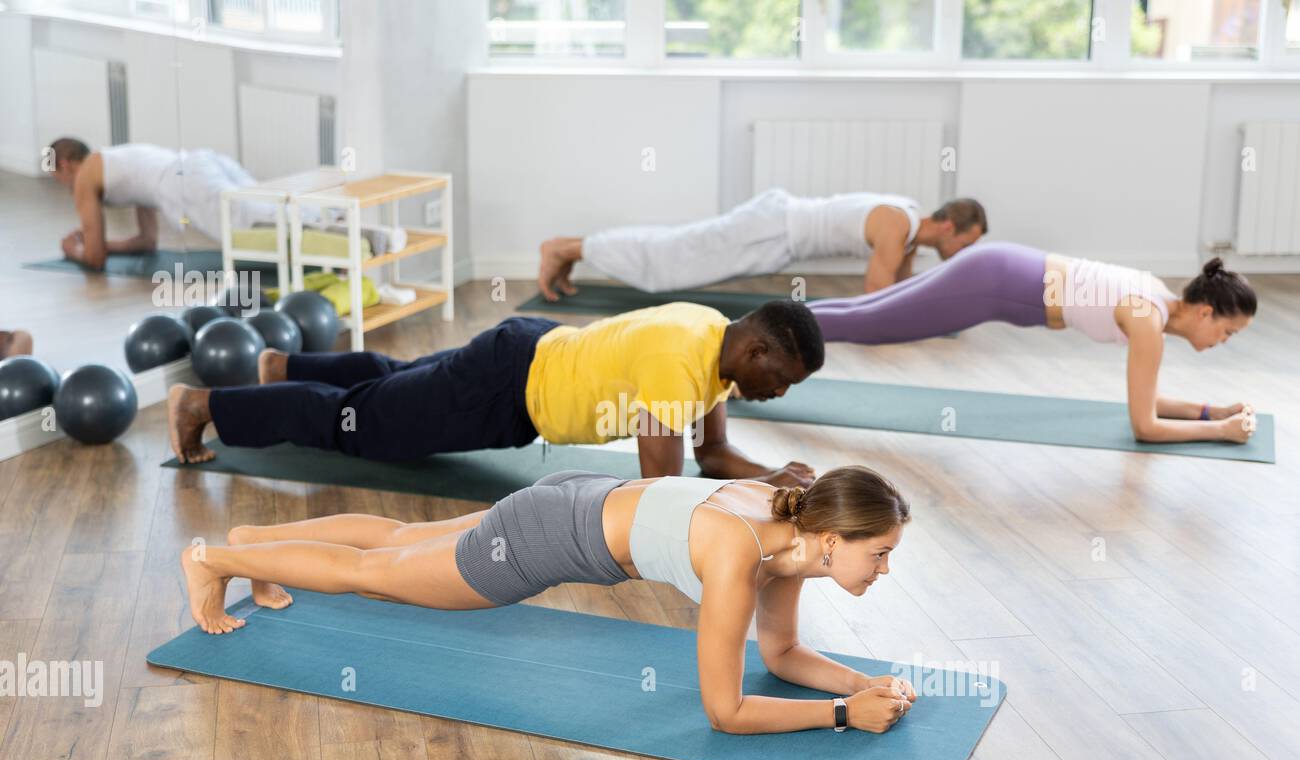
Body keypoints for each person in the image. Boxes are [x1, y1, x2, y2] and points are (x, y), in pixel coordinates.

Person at [179, 465, 917, 735]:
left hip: (573, 493)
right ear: (832, 538)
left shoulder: (789, 524)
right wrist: (846, 716)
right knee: (378, 574)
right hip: (546, 538)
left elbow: (781, 654)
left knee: (397, 537)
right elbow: (724, 713)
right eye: (878, 552)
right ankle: (214, 558)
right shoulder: (740, 556)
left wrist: (861, 682)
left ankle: (252, 545)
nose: (882, 569)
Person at [168, 300, 824, 486]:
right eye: (781, 381)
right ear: (758, 351)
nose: (777, 393)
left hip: (529, 350)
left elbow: (711, 455)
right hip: (504, 387)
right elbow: (660, 490)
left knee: (400, 381)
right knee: (361, 425)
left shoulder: (713, 336)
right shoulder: (679, 360)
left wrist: (771, 475)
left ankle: (284, 365)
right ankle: (204, 406)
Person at [810, 244, 1260, 445]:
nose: (1223, 342)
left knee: (864, 312)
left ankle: (760, 328)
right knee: (869, 324)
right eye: (1227, 332)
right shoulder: (1148, 319)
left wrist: (1211, 411)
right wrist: (1219, 432)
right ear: (1205, 312)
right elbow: (1145, 425)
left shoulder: (1156, 299)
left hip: (997, 270)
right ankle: (751, 335)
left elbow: (1147, 400)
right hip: (991, 283)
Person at [537, 192, 988, 300]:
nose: (964, 252)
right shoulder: (896, 226)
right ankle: (565, 248)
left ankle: (573, 250)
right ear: (948, 226)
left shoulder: (906, 221)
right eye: (966, 242)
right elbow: (877, 294)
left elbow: (899, 286)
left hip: (775, 229)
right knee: (665, 264)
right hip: (771, 230)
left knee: (673, 250)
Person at [46, 137, 273, 270]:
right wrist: (105, 245)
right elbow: (148, 242)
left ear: (65, 165)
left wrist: (73, 249)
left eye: (59, 179)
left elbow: (95, 260)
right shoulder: (117, 162)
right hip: (201, 164)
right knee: (270, 210)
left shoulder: (85, 176)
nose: (67, 189)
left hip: (185, 181)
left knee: (250, 231)